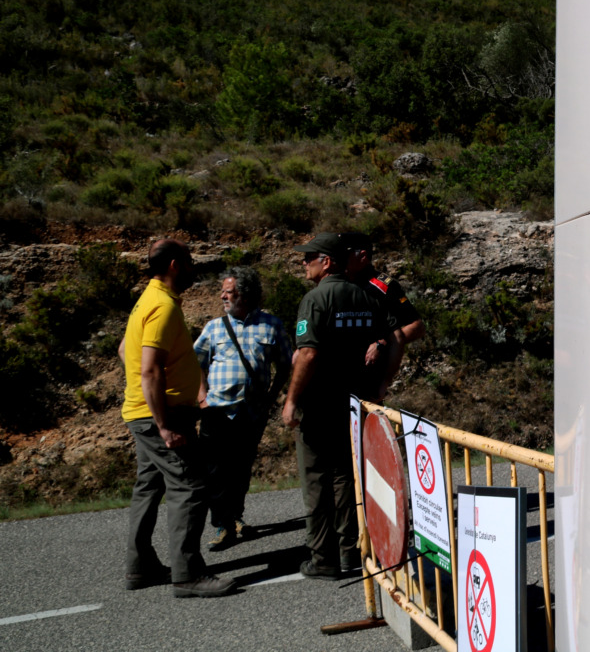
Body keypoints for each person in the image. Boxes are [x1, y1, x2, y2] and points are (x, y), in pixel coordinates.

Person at [118, 238, 235, 598]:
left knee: (148, 487)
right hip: (162, 416)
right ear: (173, 265)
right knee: (190, 486)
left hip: (147, 412)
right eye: (188, 261)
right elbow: (150, 370)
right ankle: (188, 575)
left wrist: (145, 395)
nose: (192, 267)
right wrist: (164, 424)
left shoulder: (147, 300)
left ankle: (140, 567)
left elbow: (124, 350)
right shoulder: (162, 305)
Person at [281, 232, 394, 579]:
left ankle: (323, 558)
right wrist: (380, 384)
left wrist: (291, 400)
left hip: (320, 404)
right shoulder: (367, 296)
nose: (304, 263)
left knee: (316, 478)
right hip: (354, 403)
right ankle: (349, 552)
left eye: (309, 258)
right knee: (346, 476)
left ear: (327, 262)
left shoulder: (315, 299)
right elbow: (390, 338)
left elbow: (308, 354)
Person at [194, 266, 292, 551]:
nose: (222, 296)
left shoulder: (271, 325)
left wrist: (272, 397)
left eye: (228, 291)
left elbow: (285, 365)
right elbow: (195, 363)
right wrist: (202, 398)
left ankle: (235, 516)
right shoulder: (214, 327)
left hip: (251, 413)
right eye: (223, 291)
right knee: (214, 471)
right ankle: (223, 525)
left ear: (245, 295)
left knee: (240, 468)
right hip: (216, 410)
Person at [340, 231, 426, 400]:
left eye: (344, 253)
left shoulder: (382, 287)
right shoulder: (336, 283)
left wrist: (384, 342)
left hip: (367, 377)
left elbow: (417, 327)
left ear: (362, 256)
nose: (338, 257)